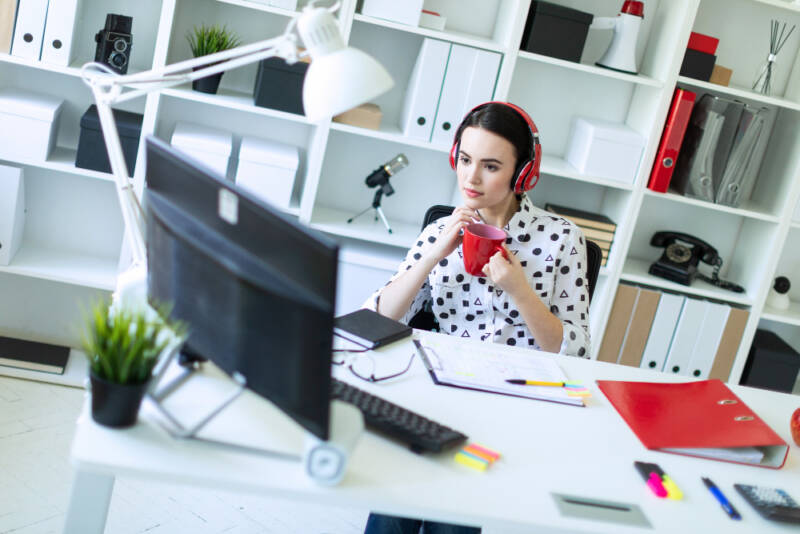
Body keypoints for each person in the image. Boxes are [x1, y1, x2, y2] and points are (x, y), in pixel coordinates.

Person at [361, 102, 591, 534]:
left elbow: (576, 351)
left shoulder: (563, 240)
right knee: (395, 501)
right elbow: (377, 317)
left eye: (490, 166)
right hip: (441, 390)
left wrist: (521, 291)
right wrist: (432, 255)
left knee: (454, 519)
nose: (471, 178)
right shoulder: (440, 232)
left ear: (523, 173)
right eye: (465, 160)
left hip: (513, 403)